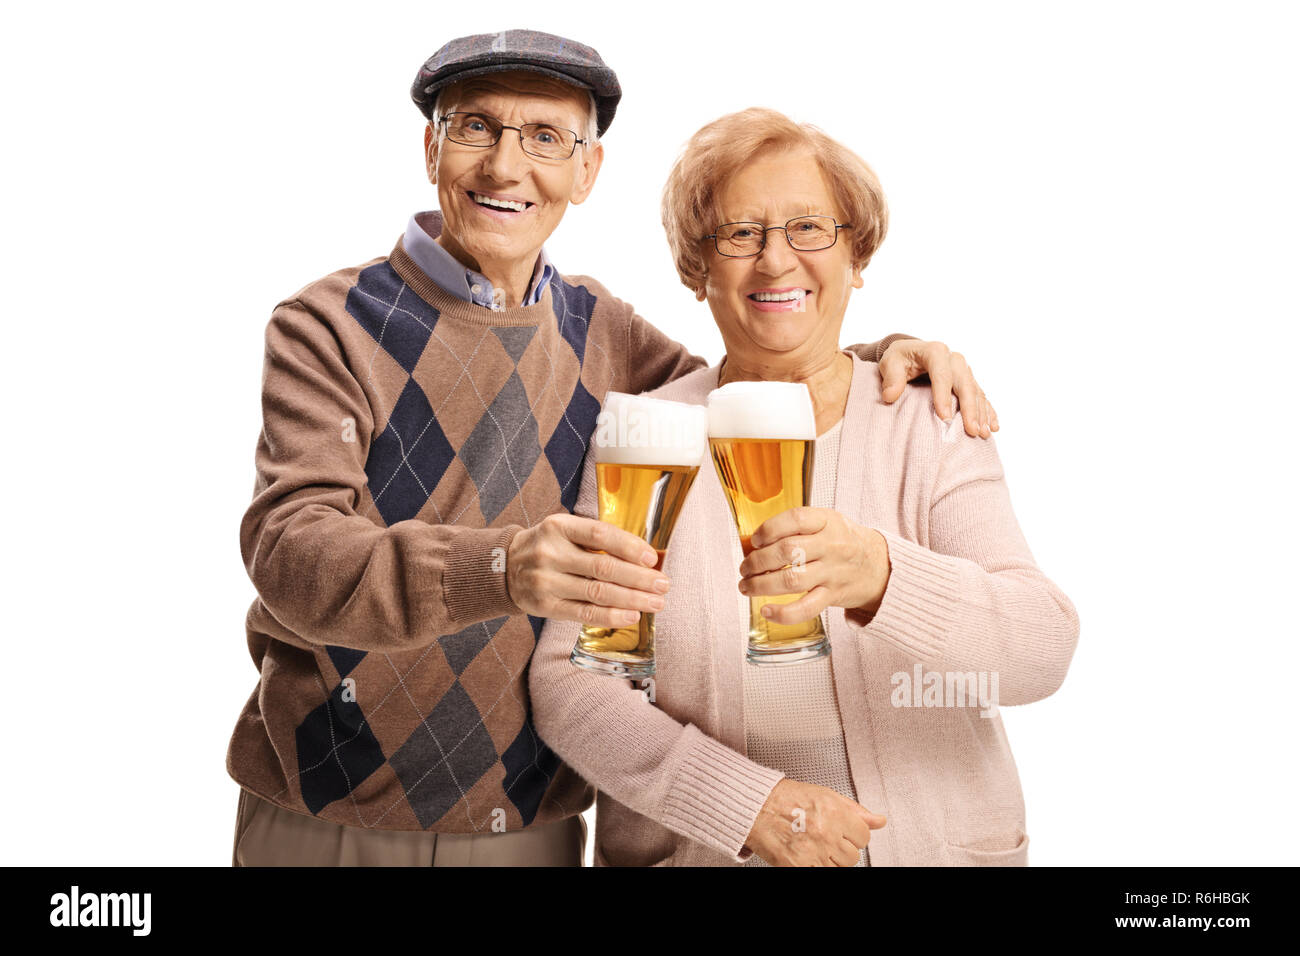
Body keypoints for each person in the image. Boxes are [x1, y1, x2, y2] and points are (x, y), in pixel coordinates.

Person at [228, 31, 999, 867]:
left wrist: (886, 355)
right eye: (476, 128)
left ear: (587, 172)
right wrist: (502, 570)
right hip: (330, 807)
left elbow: (751, 377)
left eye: (547, 138)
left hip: (531, 826)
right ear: (432, 149)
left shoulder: (604, 334)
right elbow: (290, 553)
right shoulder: (327, 324)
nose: (505, 165)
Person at [530, 107, 1079, 867]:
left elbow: (1041, 649)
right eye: (740, 234)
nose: (776, 260)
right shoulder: (646, 438)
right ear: (699, 270)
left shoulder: (927, 420)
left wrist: (885, 577)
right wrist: (746, 803)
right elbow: (576, 683)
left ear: (857, 257)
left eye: (809, 229)